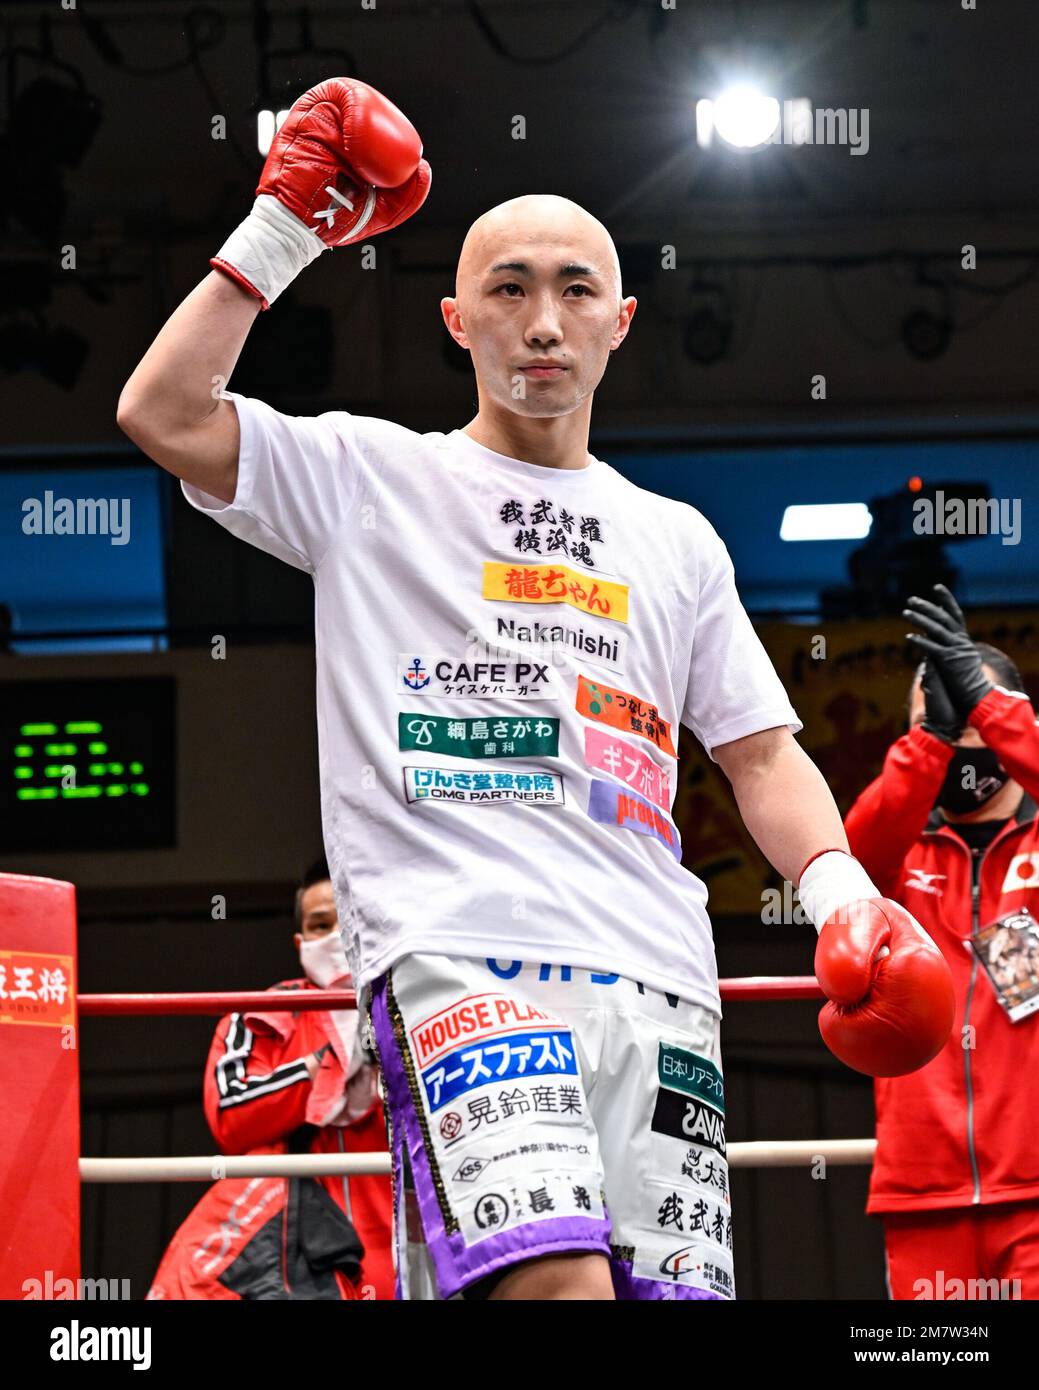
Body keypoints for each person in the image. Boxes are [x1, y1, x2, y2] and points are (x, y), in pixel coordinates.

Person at [119, 77, 954, 1301]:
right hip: (461, 956)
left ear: (621, 319)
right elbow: (162, 411)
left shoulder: (674, 539)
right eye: (509, 289)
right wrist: (286, 225)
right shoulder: (369, 475)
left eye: (573, 290)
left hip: (657, 974)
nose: (543, 321)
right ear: (457, 320)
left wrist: (838, 896)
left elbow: (760, 755)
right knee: (551, 1286)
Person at [845, 584, 1039, 1300]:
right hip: (923, 1191)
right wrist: (928, 741)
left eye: (968, 719)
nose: (959, 738)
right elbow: (848, 865)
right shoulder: (899, 860)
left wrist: (987, 706)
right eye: (934, 725)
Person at [147, 857, 393, 1300]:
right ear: (301, 941)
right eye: (320, 925)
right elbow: (231, 1118)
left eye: (347, 917)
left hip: (409, 1241)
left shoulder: (410, 1008)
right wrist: (327, 1066)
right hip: (299, 1260)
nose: (335, 936)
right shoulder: (260, 1012)